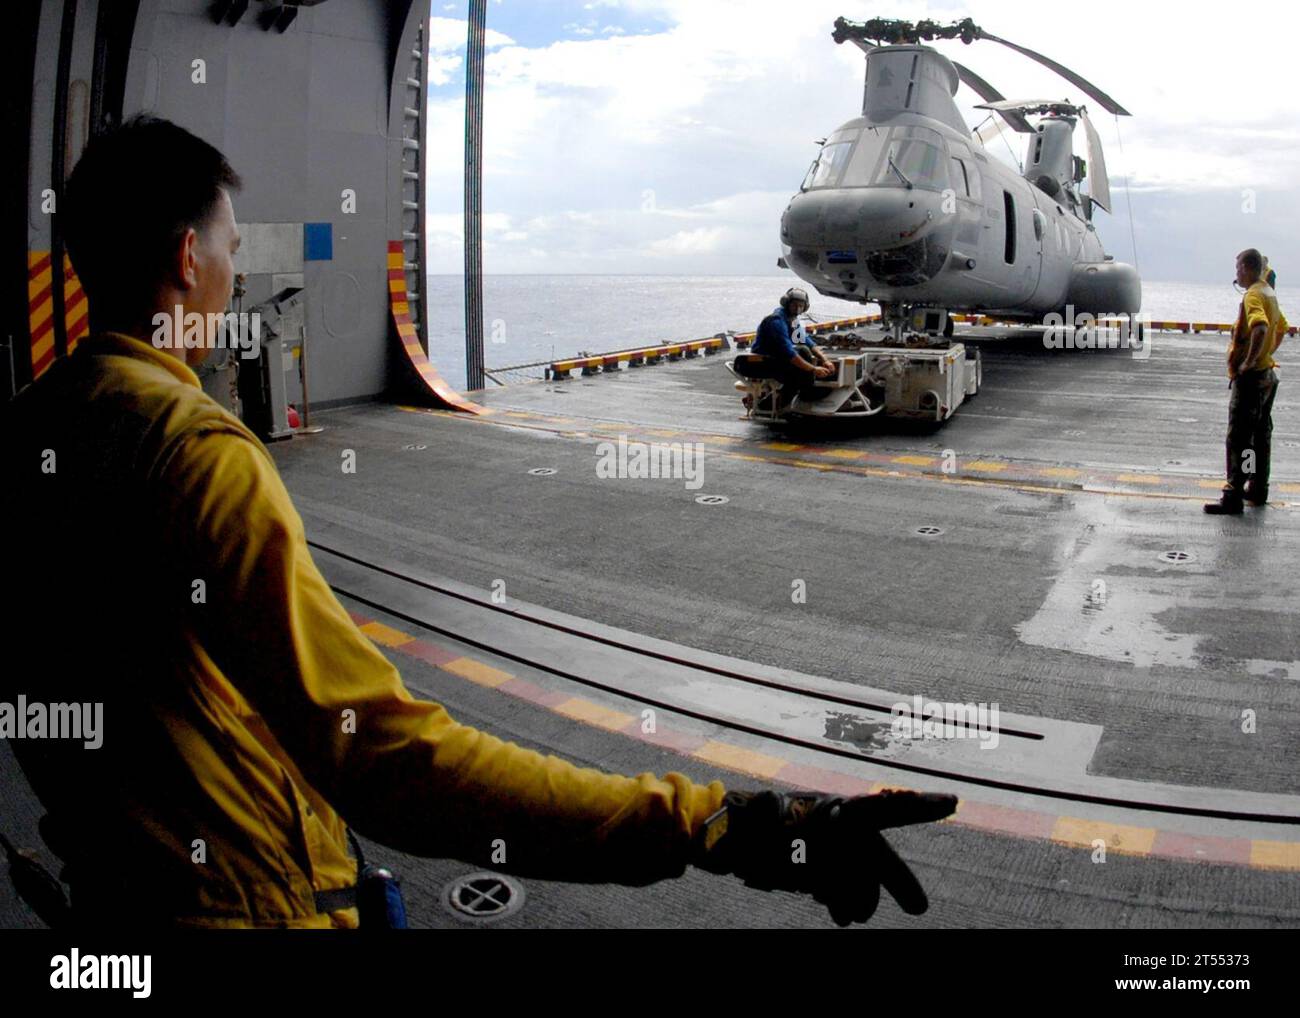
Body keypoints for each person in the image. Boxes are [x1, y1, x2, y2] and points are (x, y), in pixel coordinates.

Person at [0, 115, 955, 928]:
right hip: (242, 905)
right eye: (230, 250)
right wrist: (715, 823)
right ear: (186, 258)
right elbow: (377, 754)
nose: (230, 272)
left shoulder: (36, 425)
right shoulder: (196, 451)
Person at [1204, 249, 1289, 514]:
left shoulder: (1253, 294)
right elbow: (1282, 327)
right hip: (1267, 377)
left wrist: (1248, 362)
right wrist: (1266, 355)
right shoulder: (1269, 293)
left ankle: (1233, 496)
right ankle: (1257, 489)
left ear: (1249, 268)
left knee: (1240, 437)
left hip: (1252, 379)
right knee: (1260, 436)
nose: (1236, 274)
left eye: (1239, 268)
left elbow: (1261, 327)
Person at [748, 287, 836, 403]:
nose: (797, 308)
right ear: (786, 303)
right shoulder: (776, 320)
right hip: (761, 362)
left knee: (804, 350)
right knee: (801, 357)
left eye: (801, 306)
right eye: (794, 305)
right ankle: (800, 395)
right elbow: (789, 353)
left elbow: (806, 341)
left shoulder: (791, 319)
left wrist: (825, 360)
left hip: (775, 359)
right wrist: (814, 369)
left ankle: (796, 394)